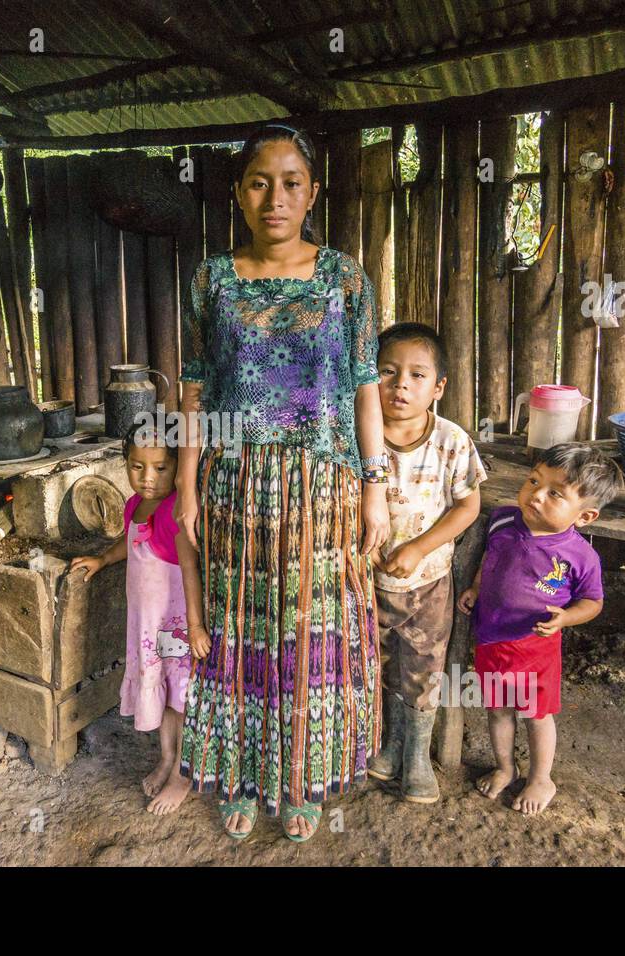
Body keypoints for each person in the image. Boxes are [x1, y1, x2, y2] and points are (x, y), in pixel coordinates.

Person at [174, 123, 391, 842]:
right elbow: (196, 388)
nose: (276, 197)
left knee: (307, 635)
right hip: (236, 481)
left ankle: (298, 782)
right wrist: (185, 481)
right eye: (260, 182)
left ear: (312, 193)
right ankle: (239, 776)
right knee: (239, 632)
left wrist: (375, 486)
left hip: (321, 484)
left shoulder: (344, 278)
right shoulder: (212, 279)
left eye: (291, 182)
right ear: (238, 194)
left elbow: (364, 389)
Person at [456, 443, 623, 815]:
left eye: (555, 494)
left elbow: (592, 603)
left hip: (534, 648)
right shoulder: (501, 520)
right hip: (490, 640)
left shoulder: (580, 556)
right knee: (497, 709)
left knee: (535, 715)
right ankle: (504, 767)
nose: (536, 494)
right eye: (534, 481)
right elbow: (489, 558)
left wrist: (565, 618)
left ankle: (540, 778)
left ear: (585, 516)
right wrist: (476, 588)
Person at [367, 322, 486, 803]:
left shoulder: (451, 441)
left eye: (417, 376)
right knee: (376, 665)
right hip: (363, 581)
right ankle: (389, 746)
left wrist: (418, 547)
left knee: (421, 669)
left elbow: (468, 506)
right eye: (388, 372)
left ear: (437, 388)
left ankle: (416, 756)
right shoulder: (360, 434)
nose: (401, 385)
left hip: (428, 584)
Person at [69, 424, 207, 815]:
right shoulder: (134, 505)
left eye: (161, 468)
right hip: (146, 627)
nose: (148, 478)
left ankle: (184, 772)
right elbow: (130, 542)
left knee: (179, 699)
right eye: (137, 467)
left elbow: (190, 570)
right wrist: (104, 559)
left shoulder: (174, 512)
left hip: (175, 626)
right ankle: (166, 758)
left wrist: (195, 626)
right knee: (163, 695)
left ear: (179, 467)